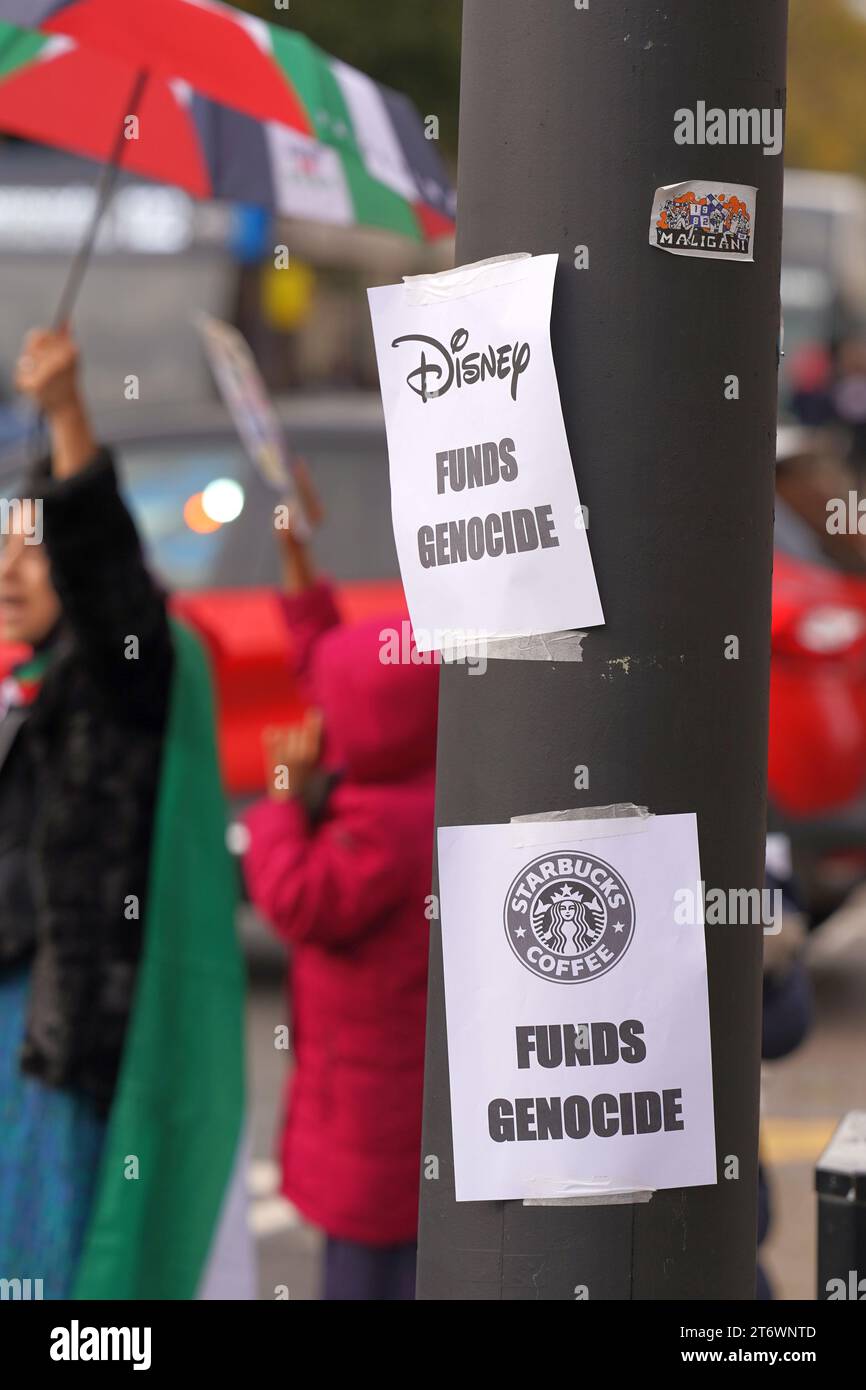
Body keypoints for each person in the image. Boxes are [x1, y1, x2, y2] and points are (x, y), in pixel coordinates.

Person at [0, 327, 247, 1300]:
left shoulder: (122, 676)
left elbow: (113, 591)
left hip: (64, 1042)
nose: (11, 574)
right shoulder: (22, 687)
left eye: (33, 555)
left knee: (58, 1265)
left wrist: (66, 414)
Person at [242, 469, 438, 1300]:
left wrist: (280, 804)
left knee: (366, 1279)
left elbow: (296, 900)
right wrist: (298, 561)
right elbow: (329, 662)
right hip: (391, 1124)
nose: (313, 714)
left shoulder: (380, 831)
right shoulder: (417, 781)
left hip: (373, 1140)